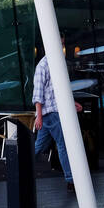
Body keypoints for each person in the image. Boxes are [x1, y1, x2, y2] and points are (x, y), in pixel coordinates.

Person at [32, 38, 74, 193]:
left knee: (40, 146)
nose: (62, 46)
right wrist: (39, 116)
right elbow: (38, 93)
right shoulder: (44, 65)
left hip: (50, 112)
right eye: (60, 43)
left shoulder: (55, 63)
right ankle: (71, 180)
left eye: (63, 43)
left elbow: (57, 90)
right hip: (51, 113)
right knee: (63, 145)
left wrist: (71, 103)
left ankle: (20, 168)